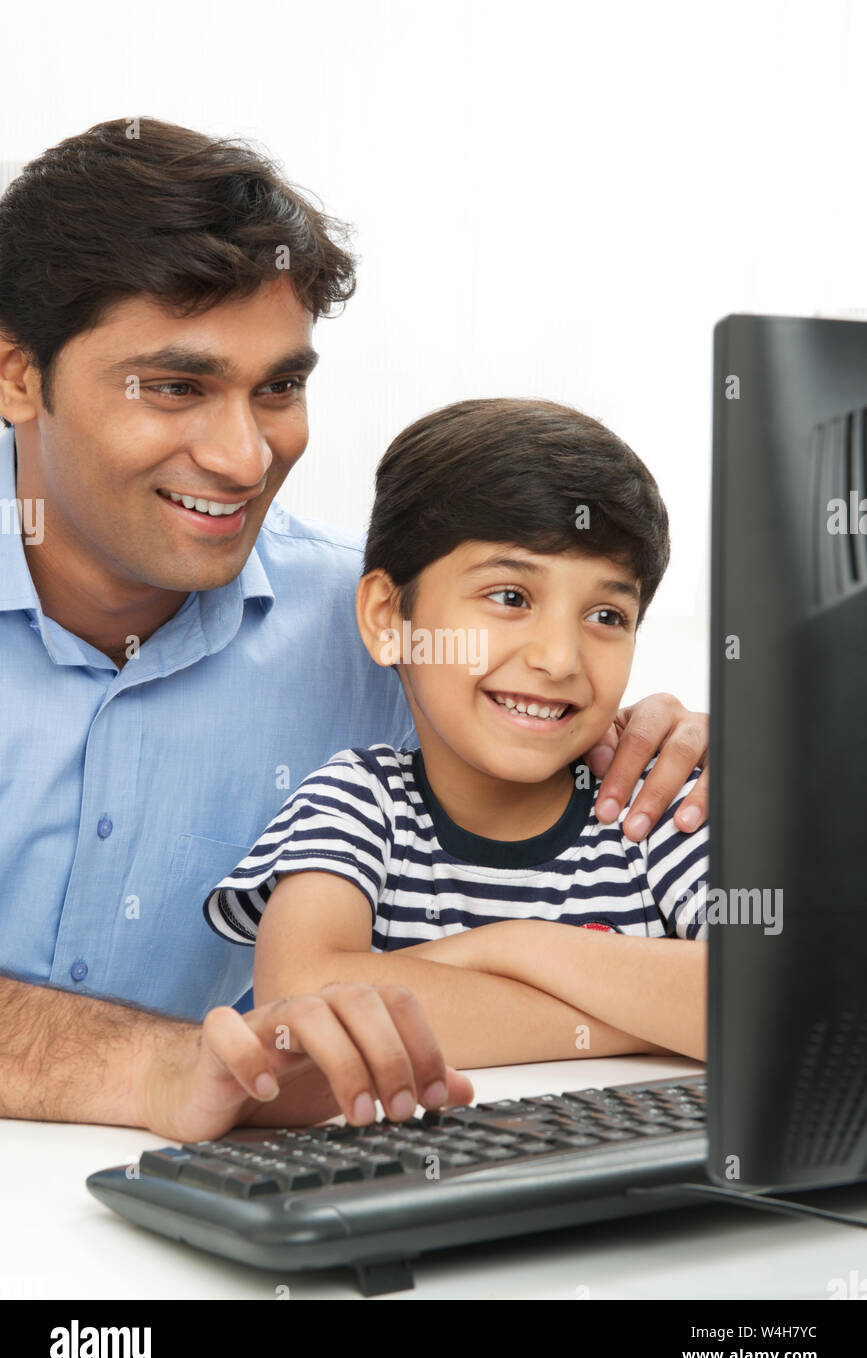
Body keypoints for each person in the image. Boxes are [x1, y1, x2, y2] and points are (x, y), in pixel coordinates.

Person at [0, 117, 709, 1143]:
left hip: (235, 1217)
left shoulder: (399, 628)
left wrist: (676, 755)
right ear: (18, 373)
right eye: (177, 386)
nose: (246, 457)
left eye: (281, 386)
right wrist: (148, 1068)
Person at [204, 398, 708, 1063]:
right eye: (509, 597)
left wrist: (514, 945)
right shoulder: (359, 802)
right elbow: (301, 1000)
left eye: (607, 615)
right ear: (389, 617)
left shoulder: (654, 806)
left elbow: (800, 997)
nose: (558, 658)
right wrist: (659, 1019)